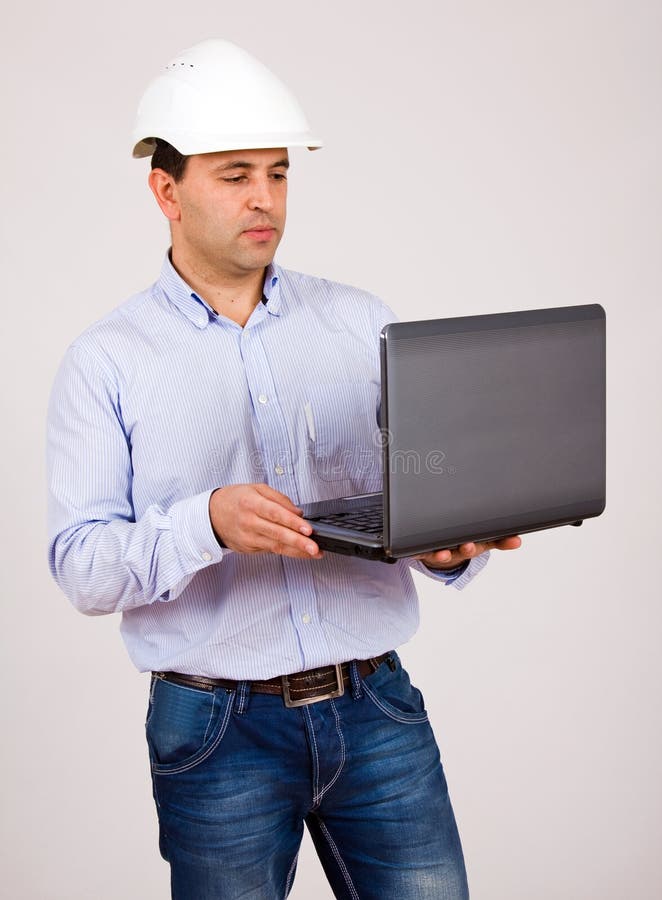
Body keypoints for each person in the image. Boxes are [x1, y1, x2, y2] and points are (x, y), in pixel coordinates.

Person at [47, 39, 521, 900]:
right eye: (234, 175)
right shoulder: (106, 361)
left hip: (378, 711)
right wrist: (207, 523)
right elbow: (81, 567)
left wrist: (447, 542)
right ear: (166, 190)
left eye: (278, 172)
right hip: (215, 728)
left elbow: (410, 484)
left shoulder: (360, 322)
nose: (264, 198)